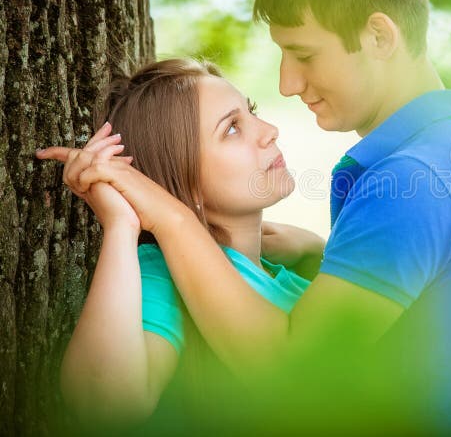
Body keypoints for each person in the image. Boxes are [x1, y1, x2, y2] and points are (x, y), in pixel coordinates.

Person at [39, 0, 451, 435]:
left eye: (303, 53)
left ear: (380, 36)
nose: (287, 84)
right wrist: (324, 254)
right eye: (232, 126)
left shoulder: (411, 182)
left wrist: (171, 218)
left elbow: (289, 364)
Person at [50, 59, 322, 424]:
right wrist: (120, 225)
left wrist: (316, 247)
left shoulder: (292, 271)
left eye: (251, 111)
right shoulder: (163, 273)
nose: (269, 131)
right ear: (184, 177)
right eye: (231, 129)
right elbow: (104, 405)